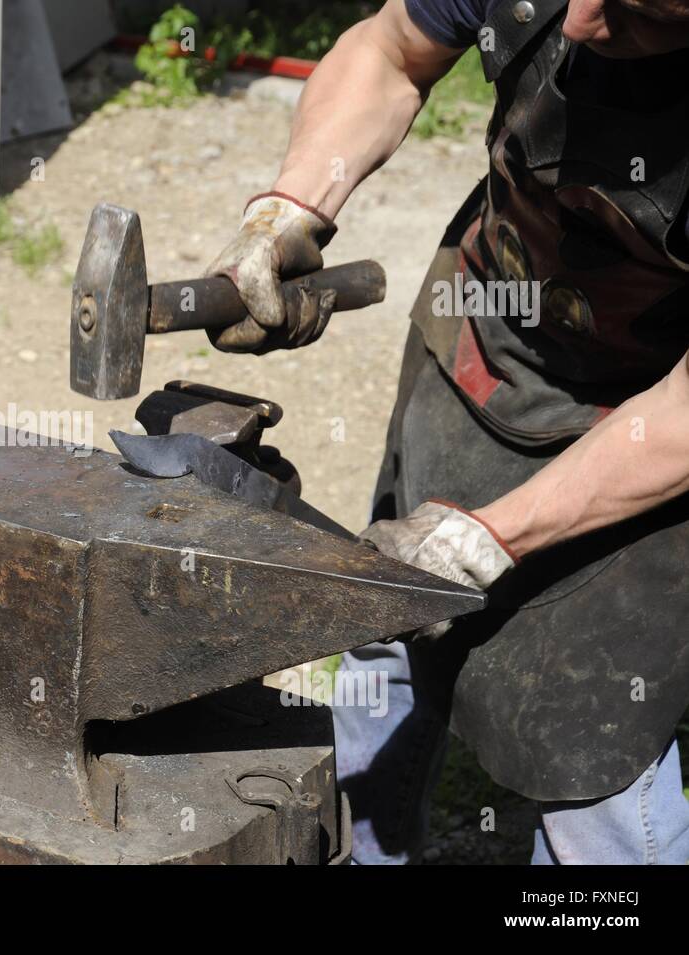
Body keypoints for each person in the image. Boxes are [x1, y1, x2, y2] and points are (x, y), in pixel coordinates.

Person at [206, 0, 689, 863]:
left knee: (595, 758)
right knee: (383, 622)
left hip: (646, 423)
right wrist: (289, 207)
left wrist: (493, 535)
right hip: (481, 327)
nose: (577, 23)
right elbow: (392, 52)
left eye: (636, 18)